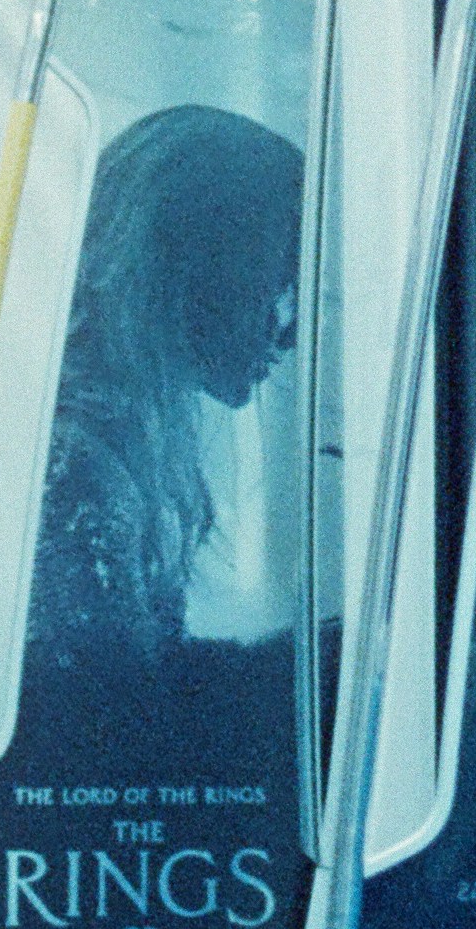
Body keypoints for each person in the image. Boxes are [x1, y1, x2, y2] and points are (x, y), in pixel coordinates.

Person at [18, 106, 304, 733]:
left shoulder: (104, 441)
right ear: (200, 268)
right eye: (277, 283)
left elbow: (139, 677)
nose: (288, 330)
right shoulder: (77, 471)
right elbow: (111, 727)